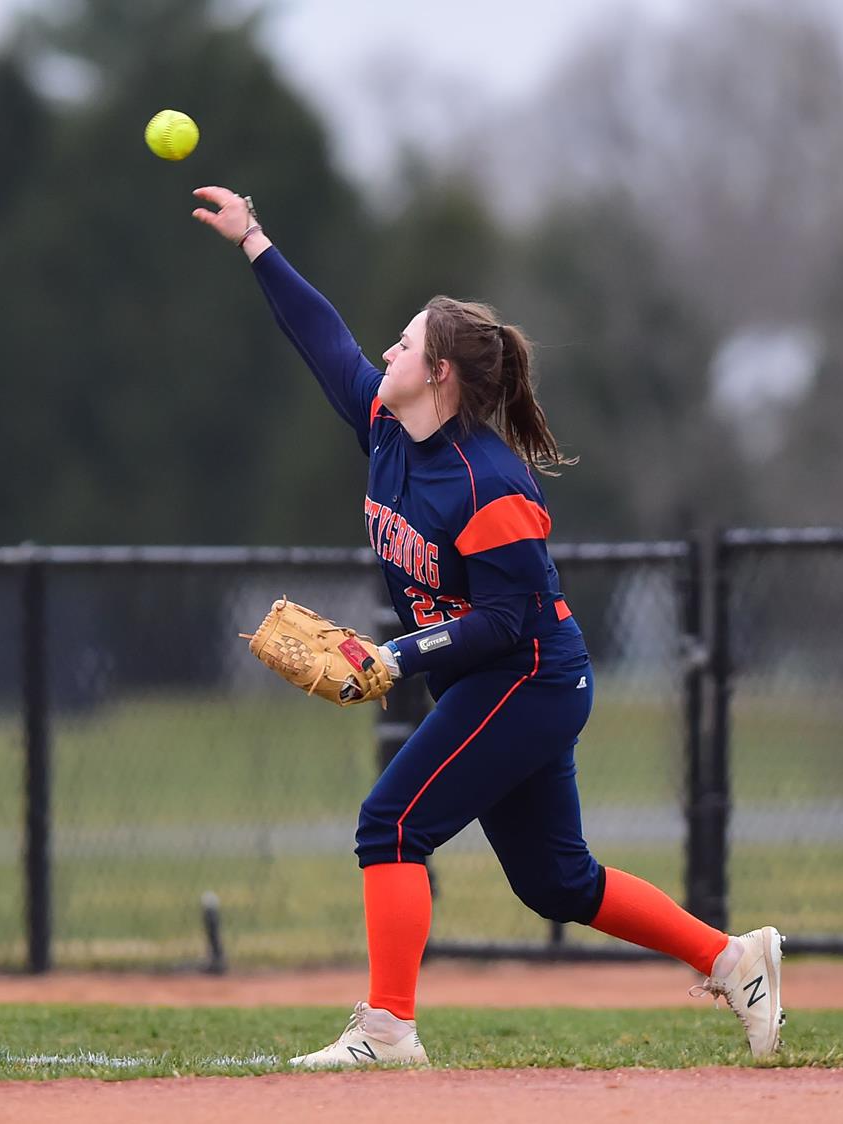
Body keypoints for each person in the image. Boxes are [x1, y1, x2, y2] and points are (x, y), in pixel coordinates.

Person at [190, 185, 784, 1066]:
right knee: (558, 881)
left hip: (531, 679)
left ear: (441, 375)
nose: (385, 352)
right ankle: (734, 960)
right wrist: (254, 241)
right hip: (491, 680)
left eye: (405, 345)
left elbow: (507, 621)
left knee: (390, 825)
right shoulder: (386, 426)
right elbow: (323, 340)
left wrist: (399, 653)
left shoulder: (490, 483)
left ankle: (387, 1031)